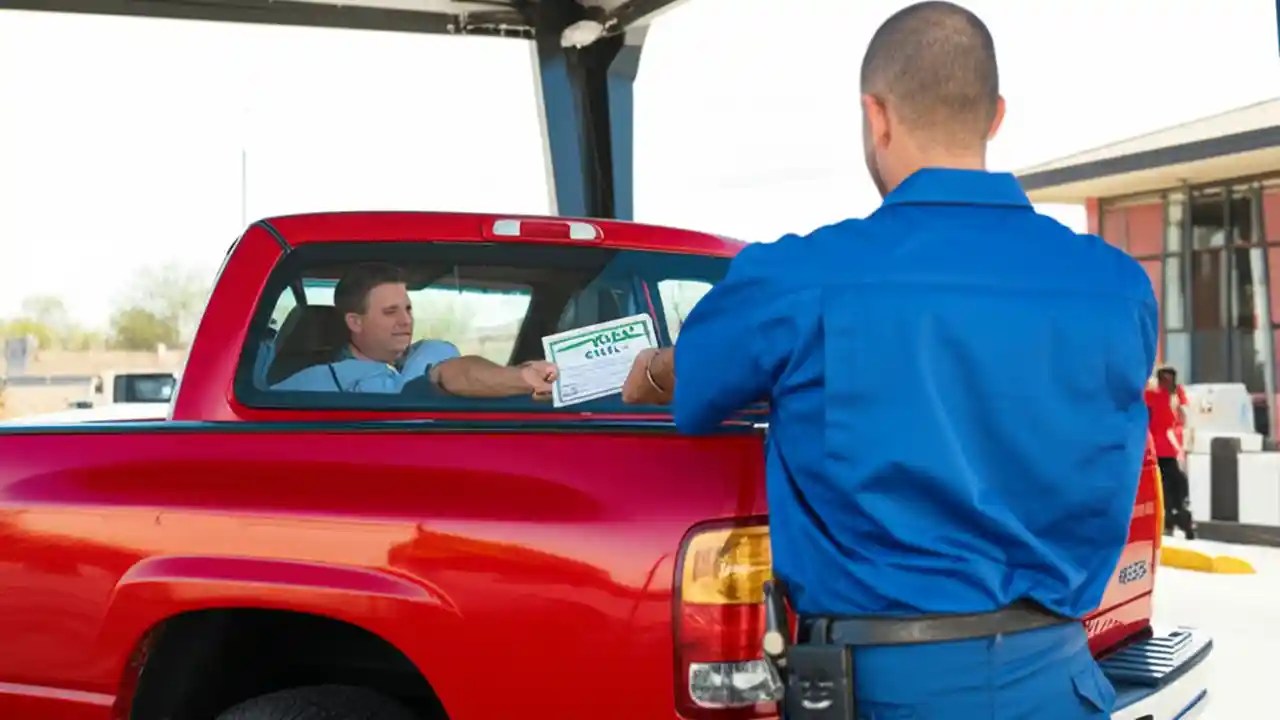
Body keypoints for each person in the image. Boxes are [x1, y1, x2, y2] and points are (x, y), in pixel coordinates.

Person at [621, 2, 1157, 718]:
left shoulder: (799, 279)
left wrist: (656, 366)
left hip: (885, 690)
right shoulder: (1120, 287)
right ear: (995, 116)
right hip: (1061, 681)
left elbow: (694, 386)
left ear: (876, 116)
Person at [272, 262, 558, 398]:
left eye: (407, 309)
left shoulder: (431, 353)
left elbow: (456, 373)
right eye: (390, 312)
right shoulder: (313, 383)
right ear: (355, 322)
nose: (405, 321)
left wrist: (521, 378)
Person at [1146, 365, 1195, 538]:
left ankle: (1177, 519)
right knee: (1169, 487)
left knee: (1175, 486)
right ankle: (1174, 520)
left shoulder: (1170, 394)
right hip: (1161, 449)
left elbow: (1184, 414)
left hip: (1170, 449)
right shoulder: (1159, 395)